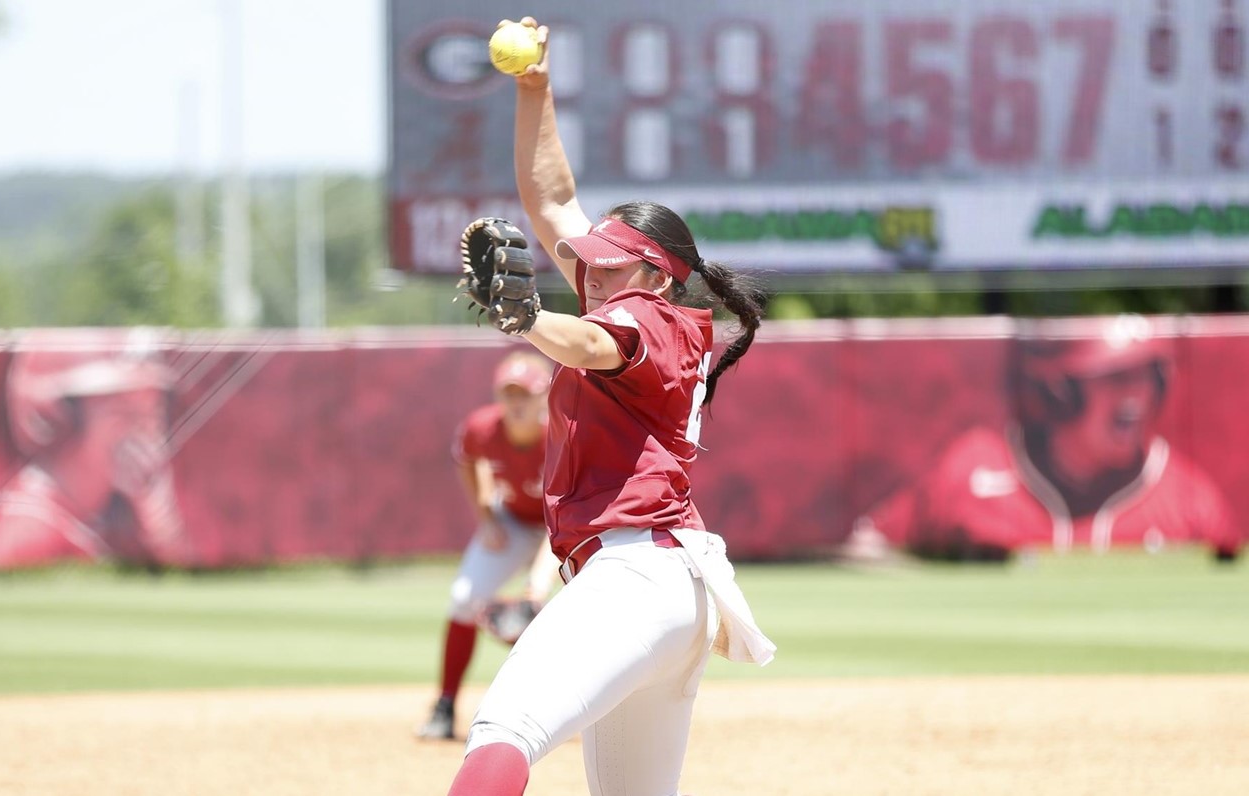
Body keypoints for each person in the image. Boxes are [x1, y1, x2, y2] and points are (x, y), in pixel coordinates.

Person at [446, 17, 775, 796]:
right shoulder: (639, 300)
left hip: (634, 579)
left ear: (659, 275)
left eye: (609, 267)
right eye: (588, 265)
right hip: (667, 589)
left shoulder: (649, 319)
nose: (589, 274)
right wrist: (536, 88)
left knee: (503, 733)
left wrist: (528, 321)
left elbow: (592, 346)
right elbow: (553, 199)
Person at [845, 314, 1240, 563]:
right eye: (1116, 377)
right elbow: (865, 547)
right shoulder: (973, 470)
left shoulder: (1189, 499)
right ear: (1061, 391)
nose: (1136, 396)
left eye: (1146, 376)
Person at [0, 328, 190, 569]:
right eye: (123, 413)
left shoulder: (108, 520)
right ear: (59, 419)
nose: (143, 434)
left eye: (151, 414)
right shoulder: (30, 532)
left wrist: (159, 524)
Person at [417, 350, 558, 741]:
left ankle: (593, 714)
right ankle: (444, 706)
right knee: (463, 598)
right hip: (511, 522)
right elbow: (468, 459)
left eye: (525, 393)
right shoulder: (481, 427)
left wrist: (537, 586)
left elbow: (560, 520)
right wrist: (485, 515)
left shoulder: (563, 436)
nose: (516, 402)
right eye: (508, 393)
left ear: (545, 396)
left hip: (565, 531)